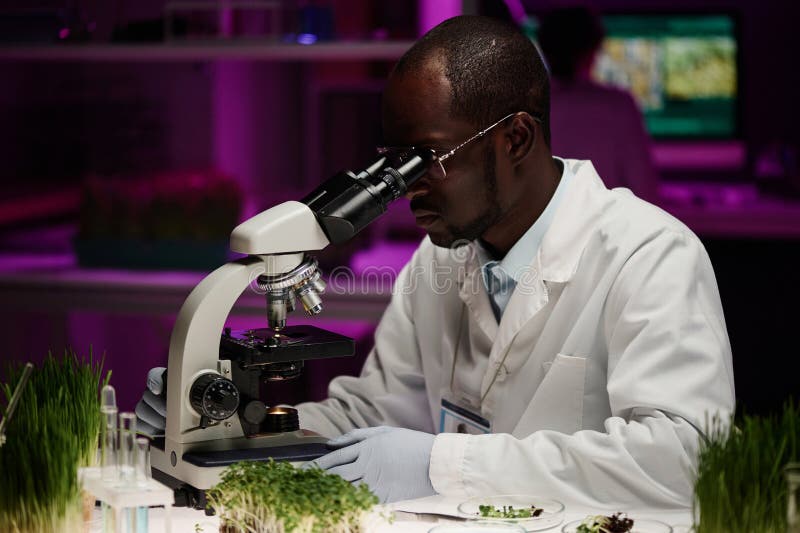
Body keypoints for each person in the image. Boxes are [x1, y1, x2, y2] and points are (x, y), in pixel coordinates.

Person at [137, 16, 734, 508]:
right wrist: (231, 424)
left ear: (517, 139)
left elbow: (683, 462)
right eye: (394, 163)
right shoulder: (438, 261)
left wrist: (441, 465)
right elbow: (373, 412)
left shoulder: (649, 256)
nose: (407, 188)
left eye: (425, 159)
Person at [538, 7, 660, 203]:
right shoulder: (618, 106)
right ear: (592, 51)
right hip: (607, 231)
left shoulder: (525, 104)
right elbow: (645, 193)